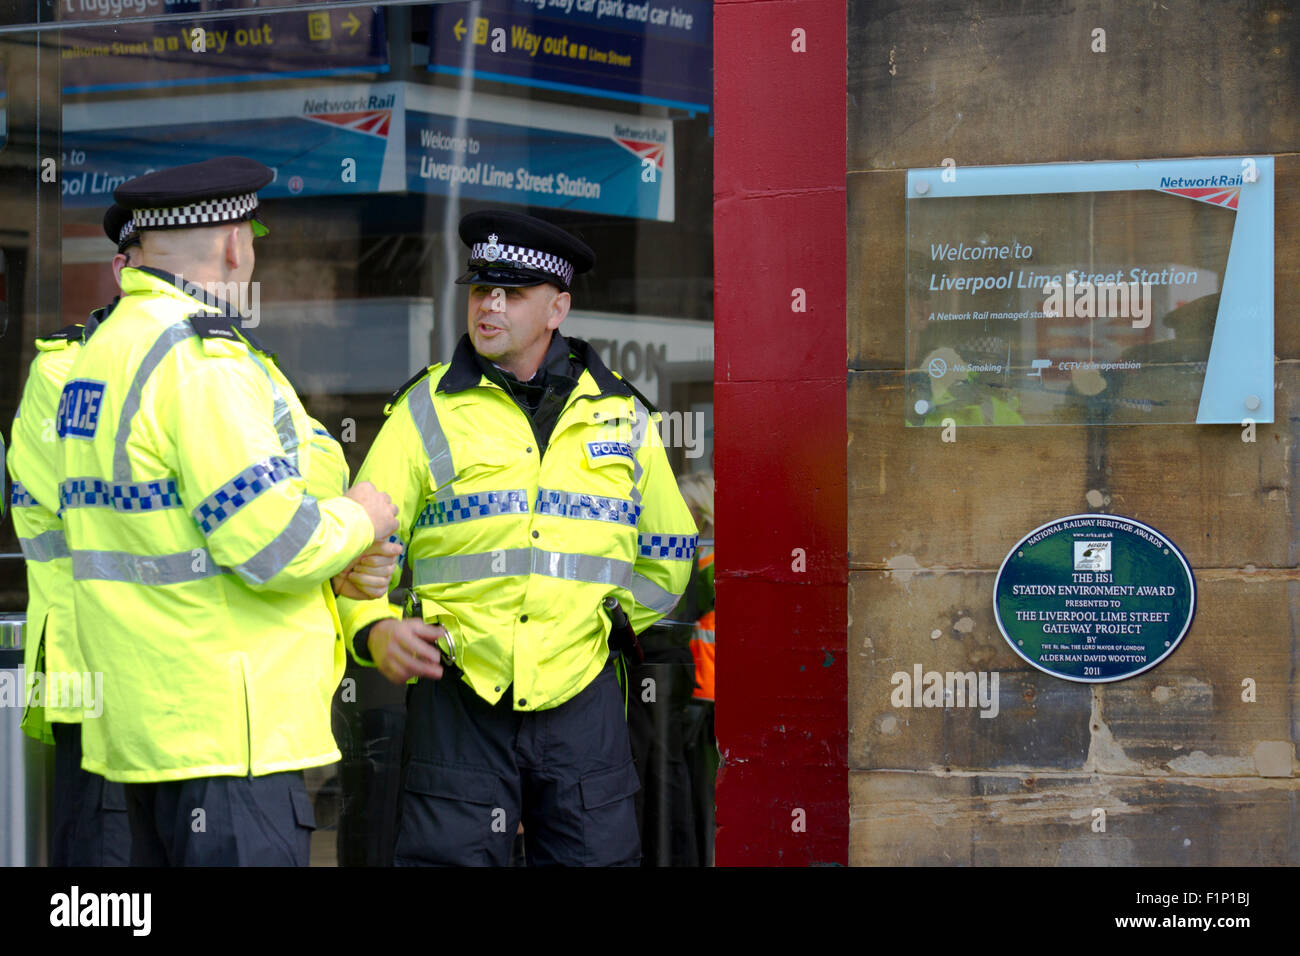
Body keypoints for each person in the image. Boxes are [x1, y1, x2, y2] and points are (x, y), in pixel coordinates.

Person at [55, 156, 399, 866]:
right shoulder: (201, 362)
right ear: (235, 245)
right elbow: (273, 544)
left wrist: (335, 553)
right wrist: (362, 519)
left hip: (142, 730)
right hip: (228, 736)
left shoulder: (100, 353)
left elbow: (178, 525)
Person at [336, 209, 699, 866]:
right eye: (481, 289)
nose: (490, 306)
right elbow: (356, 548)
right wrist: (374, 629)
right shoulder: (423, 410)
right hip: (458, 696)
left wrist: (606, 623)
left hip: (583, 697)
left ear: (558, 307)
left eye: (512, 292)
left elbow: (669, 553)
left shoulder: (622, 414)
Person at [6, 205, 140, 865]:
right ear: (122, 269)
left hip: (175, 671)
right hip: (91, 665)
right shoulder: (65, 370)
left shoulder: (222, 364)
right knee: (104, 876)